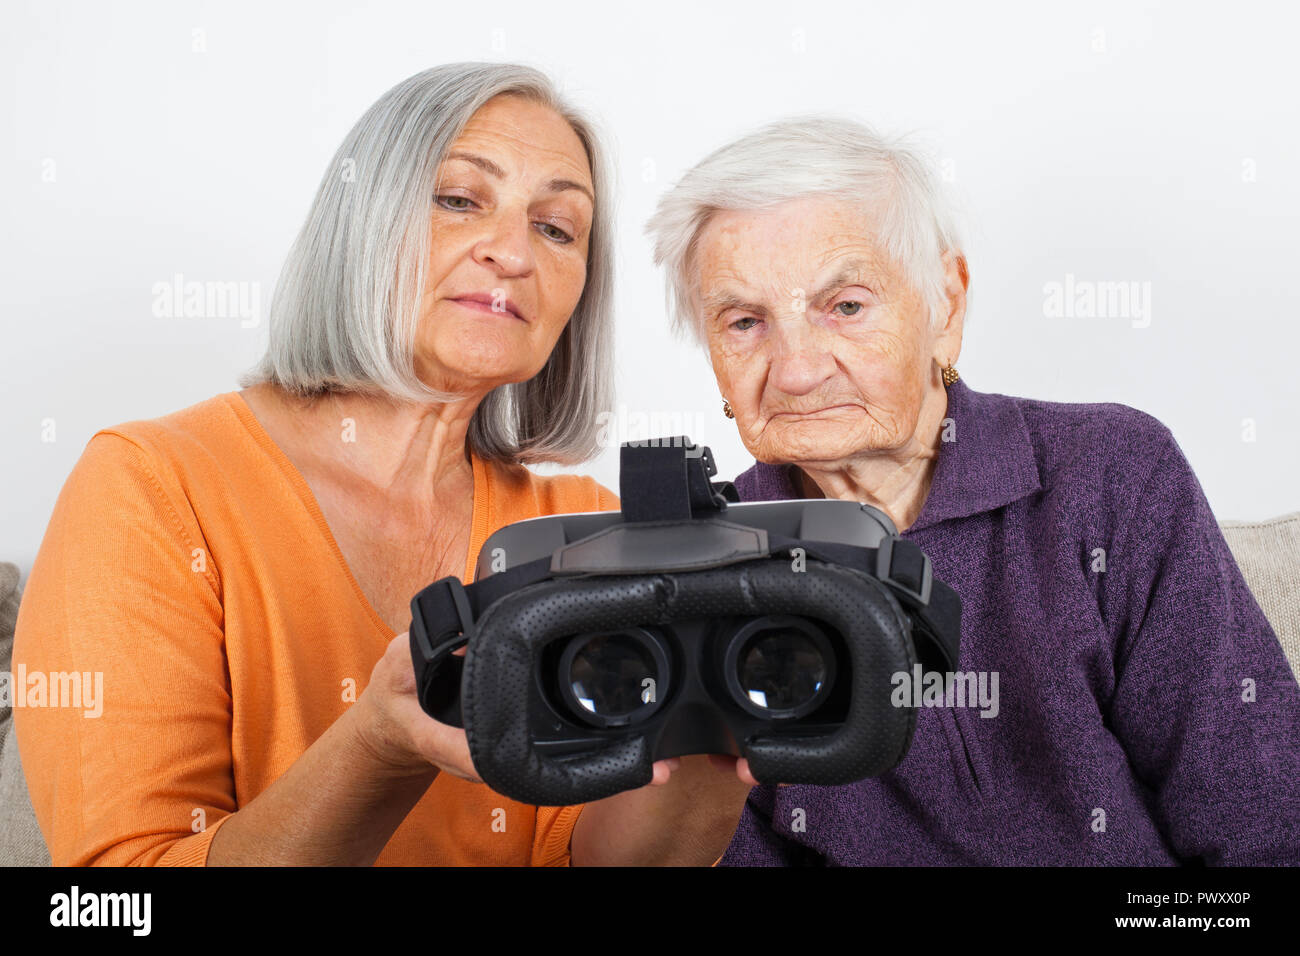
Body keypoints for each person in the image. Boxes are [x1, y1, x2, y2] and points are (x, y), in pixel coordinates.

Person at [14, 62, 747, 866]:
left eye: (557, 228)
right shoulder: (151, 486)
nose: (513, 252)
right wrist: (380, 746)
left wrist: (722, 714)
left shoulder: (577, 522)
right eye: (461, 199)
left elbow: (588, 861)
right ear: (363, 223)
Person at [643, 115, 1300, 864]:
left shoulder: (1112, 472)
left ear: (945, 307)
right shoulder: (706, 565)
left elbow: (1262, 824)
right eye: (744, 321)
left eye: (846, 306)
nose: (796, 370)